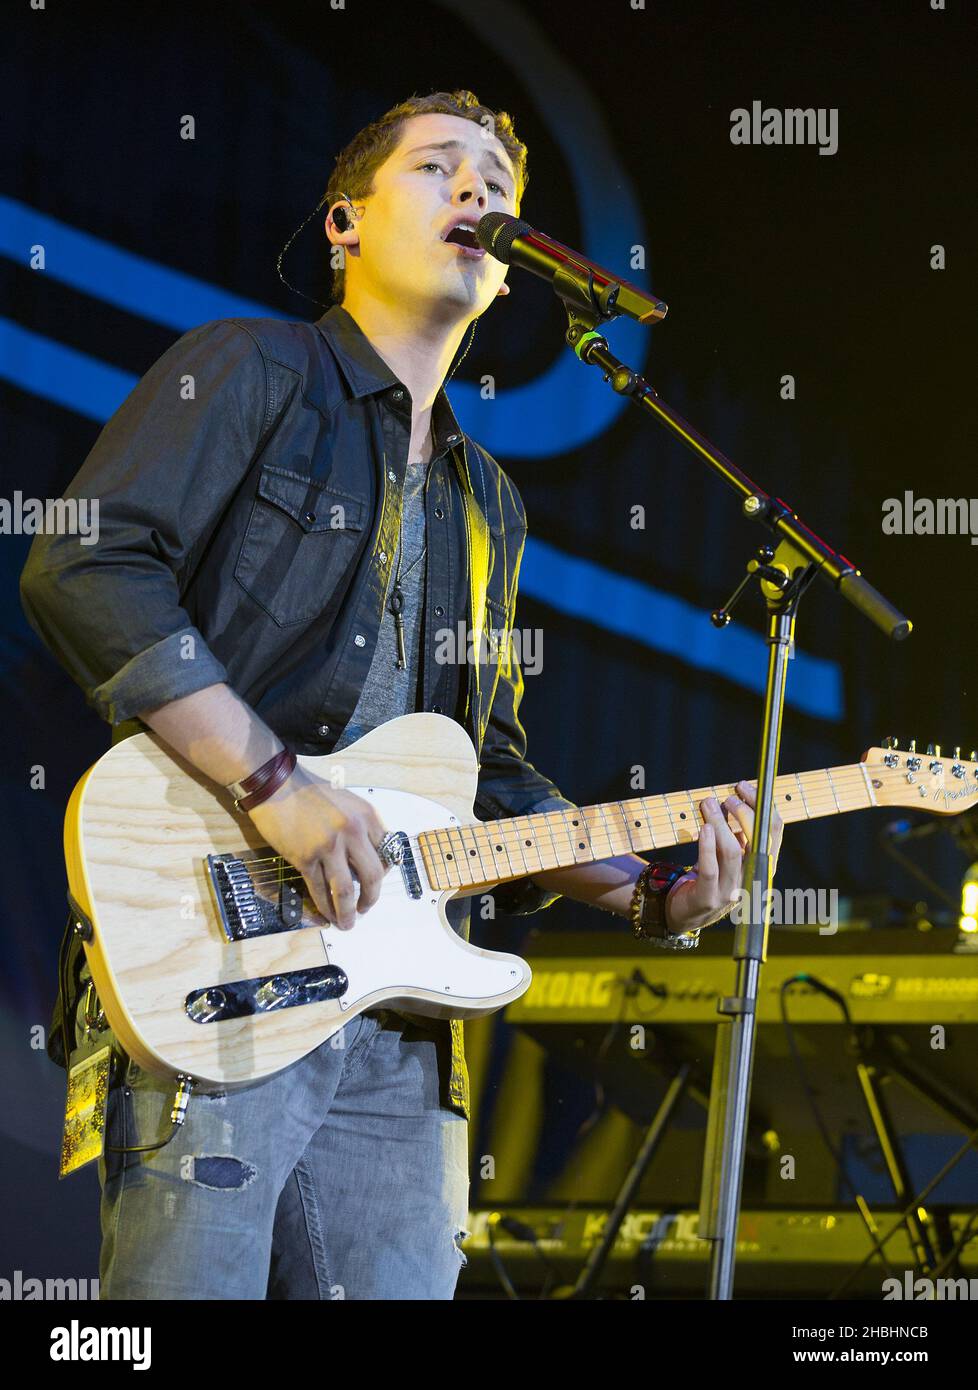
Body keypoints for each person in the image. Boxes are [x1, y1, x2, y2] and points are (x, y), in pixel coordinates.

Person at [20, 88, 782, 1300]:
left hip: (401, 1031)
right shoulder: (252, 367)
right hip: (219, 965)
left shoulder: (491, 506)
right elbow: (85, 558)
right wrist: (279, 789)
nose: (477, 194)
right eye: (440, 170)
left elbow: (494, 779)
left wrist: (651, 889)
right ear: (344, 222)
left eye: (497, 186)